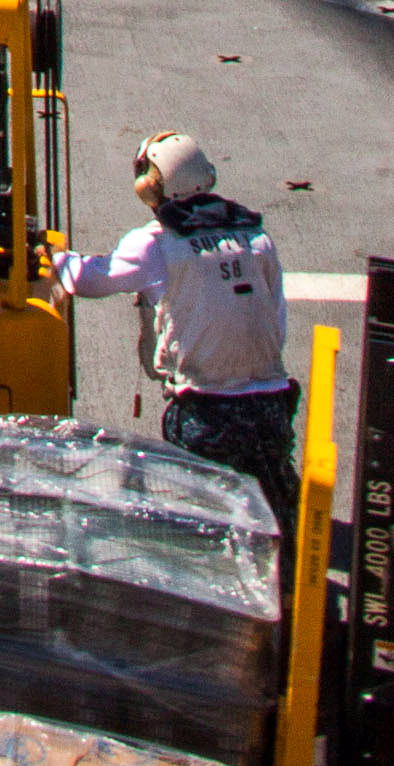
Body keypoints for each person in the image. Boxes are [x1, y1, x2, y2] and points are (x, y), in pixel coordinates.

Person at [52, 132, 297, 542]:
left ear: (154, 182)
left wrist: (50, 255)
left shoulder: (155, 243)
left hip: (206, 411)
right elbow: (276, 319)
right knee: (280, 522)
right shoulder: (257, 237)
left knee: (209, 530)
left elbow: (86, 279)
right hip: (271, 405)